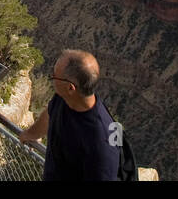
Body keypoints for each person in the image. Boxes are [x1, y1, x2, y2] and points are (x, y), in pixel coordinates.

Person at [19, 48, 121, 181]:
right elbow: (49, 115)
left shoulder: (103, 141)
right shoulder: (63, 98)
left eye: (54, 76)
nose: (52, 79)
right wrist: (29, 134)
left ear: (70, 87)